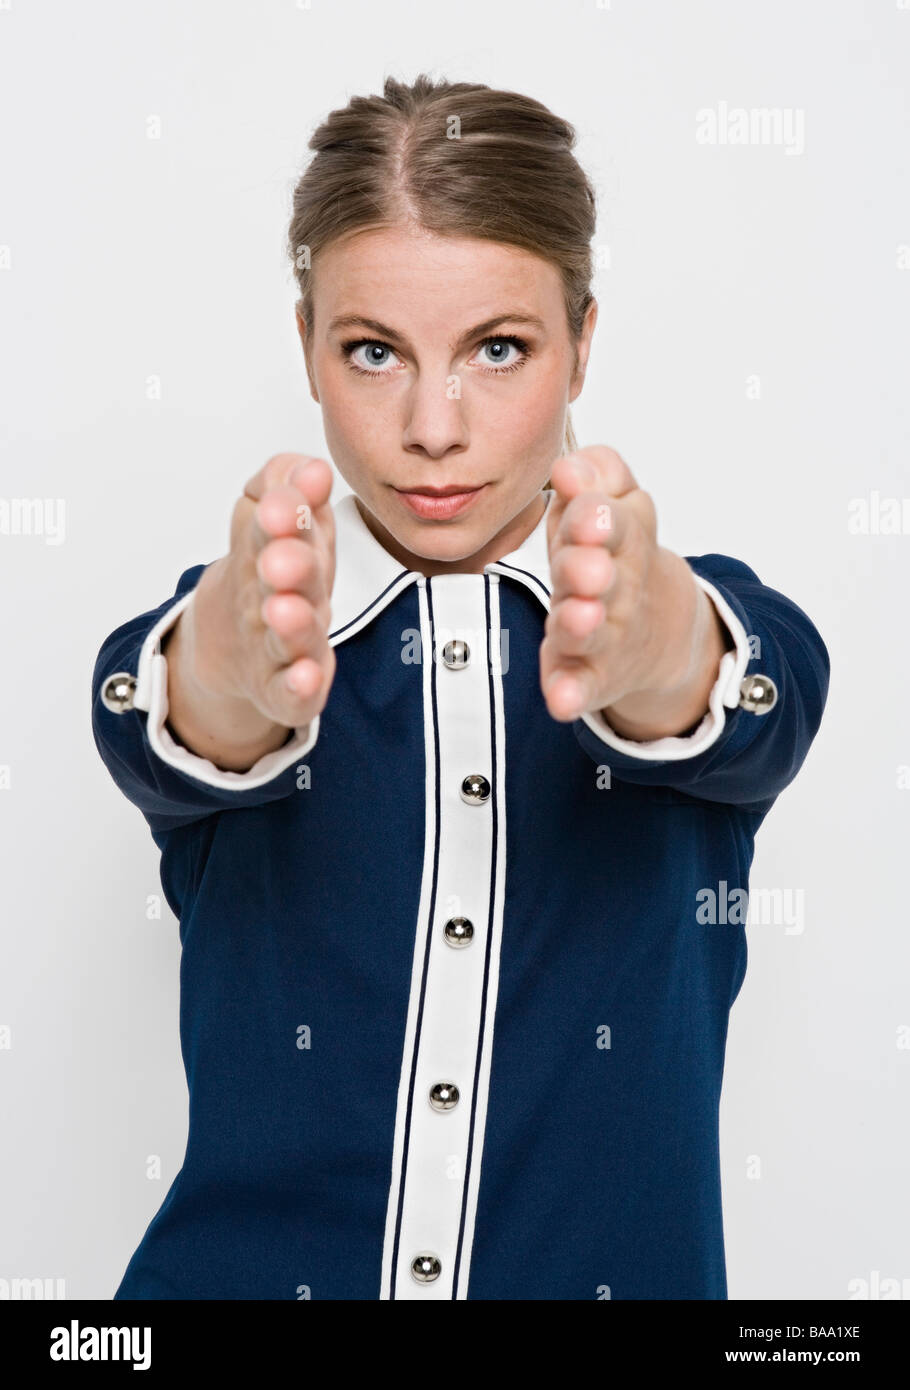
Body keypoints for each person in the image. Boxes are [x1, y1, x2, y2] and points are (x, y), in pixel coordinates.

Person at [92, 73, 829, 1300]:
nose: (434, 425)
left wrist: (650, 654)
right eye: (373, 352)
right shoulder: (233, 621)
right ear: (307, 348)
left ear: (584, 341)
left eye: (499, 349)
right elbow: (166, 716)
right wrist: (223, 671)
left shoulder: (707, 627)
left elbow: (745, 698)